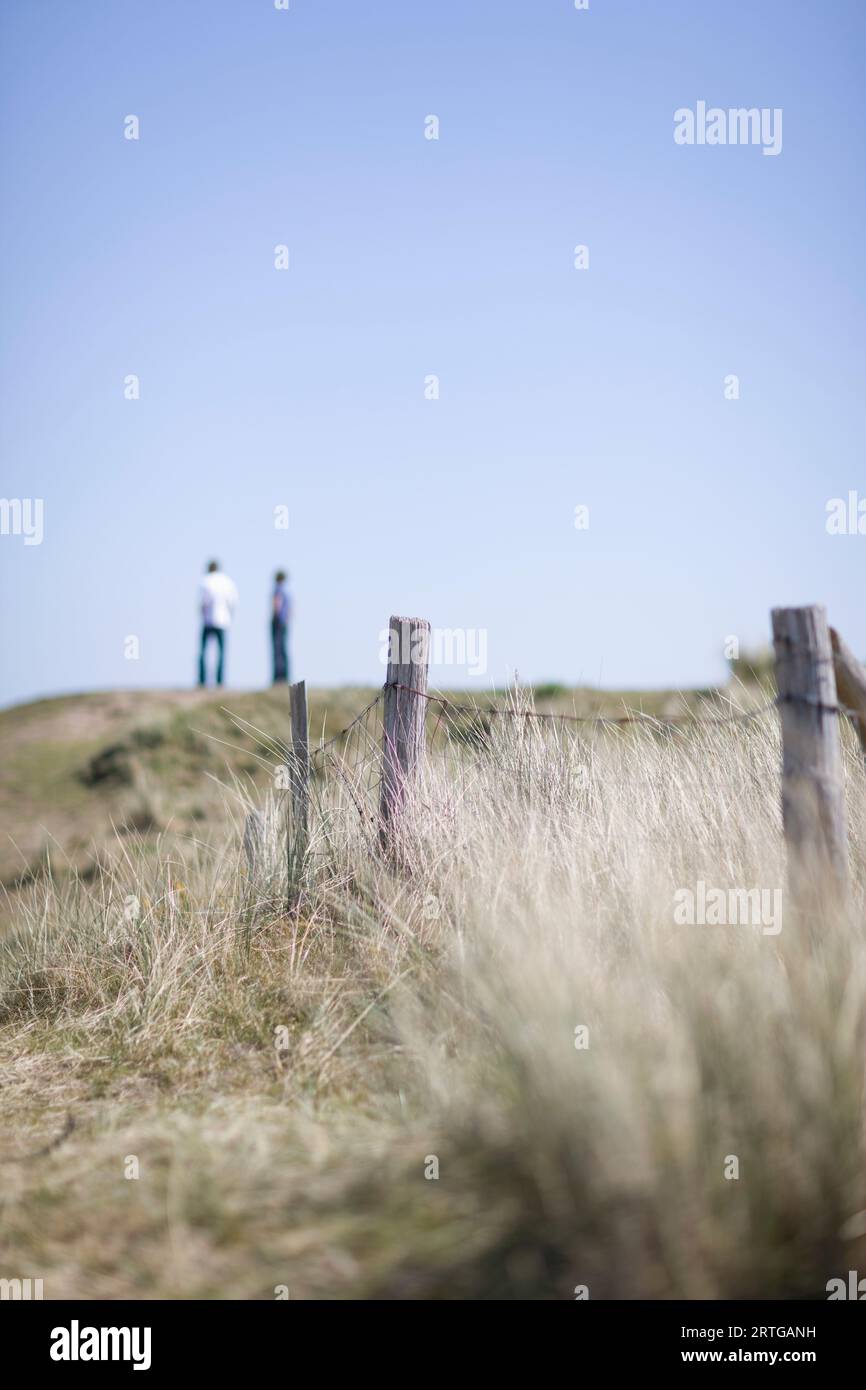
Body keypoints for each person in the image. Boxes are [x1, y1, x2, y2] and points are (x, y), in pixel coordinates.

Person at [198, 560, 238, 687]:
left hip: (208, 621)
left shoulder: (206, 581)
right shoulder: (227, 582)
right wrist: (229, 615)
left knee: (204, 651)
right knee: (221, 652)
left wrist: (203, 614)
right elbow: (233, 601)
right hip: (223, 620)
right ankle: (220, 680)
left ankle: (202, 680)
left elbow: (204, 602)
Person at [271, 570, 291, 684]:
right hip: (284, 622)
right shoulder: (287, 591)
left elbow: (276, 604)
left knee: (277, 649)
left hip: (278, 622)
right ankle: (284, 675)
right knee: (283, 649)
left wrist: (275, 616)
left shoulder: (277, 589)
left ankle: (278, 676)